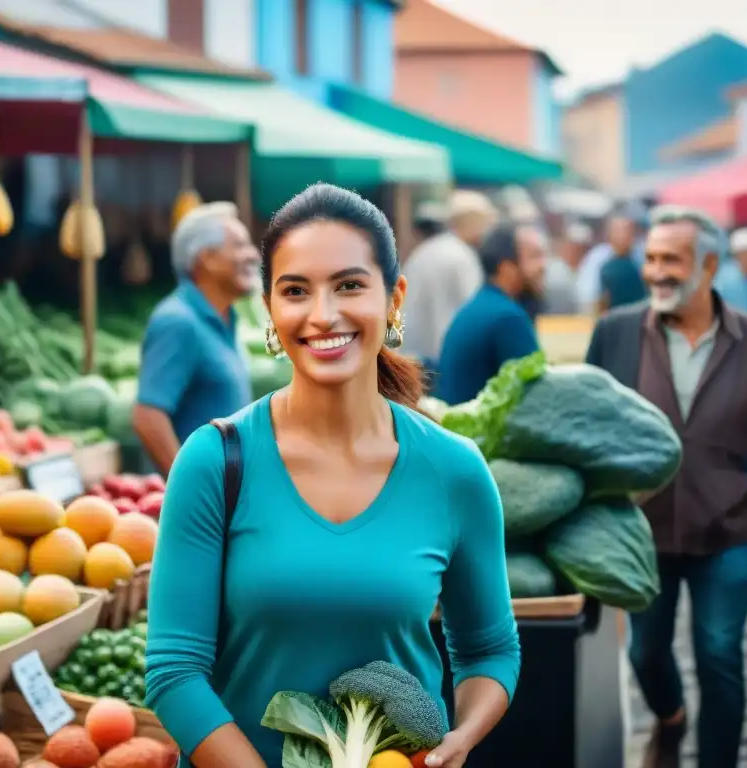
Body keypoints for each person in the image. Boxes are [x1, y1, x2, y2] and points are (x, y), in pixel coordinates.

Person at [145, 184, 521, 768]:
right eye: (296, 291)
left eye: (349, 285)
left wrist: (463, 736)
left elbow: (489, 650)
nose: (322, 315)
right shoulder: (214, 461)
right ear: (270, 309)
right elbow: (174, 673)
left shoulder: (454, 469)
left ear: (394, 298)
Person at [585, 206, 747, 768]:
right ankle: (671, 718)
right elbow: (587, 421)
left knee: (720, 656)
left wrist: (746, 485)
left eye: (671, 260)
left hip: (727, 531)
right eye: (651, 258)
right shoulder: (615, 332)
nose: (656, 272)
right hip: (641, 533)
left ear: (708, 266)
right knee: (646, 654)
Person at [133, 202, 259, 476]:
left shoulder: (226, 318)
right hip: (206, 497)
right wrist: (187, 488)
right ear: (207, 258)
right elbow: (148, 417)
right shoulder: (178, 321)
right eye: (239, 245)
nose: (253, 254)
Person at [434, 223, 545, 406]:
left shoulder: (478, 306)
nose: (543, 266)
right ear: (506, 268)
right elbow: (537, 399)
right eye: (534, 257)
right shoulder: (507, 319)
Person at [401, 190, 498, 370]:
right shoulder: (462, 256)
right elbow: (474, 312)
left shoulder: (425, 250)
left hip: (413, 357)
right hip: (447, 360)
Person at [577, 211, 643, 312]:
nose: (623, 235)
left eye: (627, 231)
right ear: (609, 233)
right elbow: (588, 294)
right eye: (619, 231)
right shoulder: (597, 258)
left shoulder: (641, 257)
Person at [540, 221, 591, 315]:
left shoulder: (590, 268)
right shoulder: (552, 269)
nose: (575, 251)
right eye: (573, 246)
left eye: (581, 247)